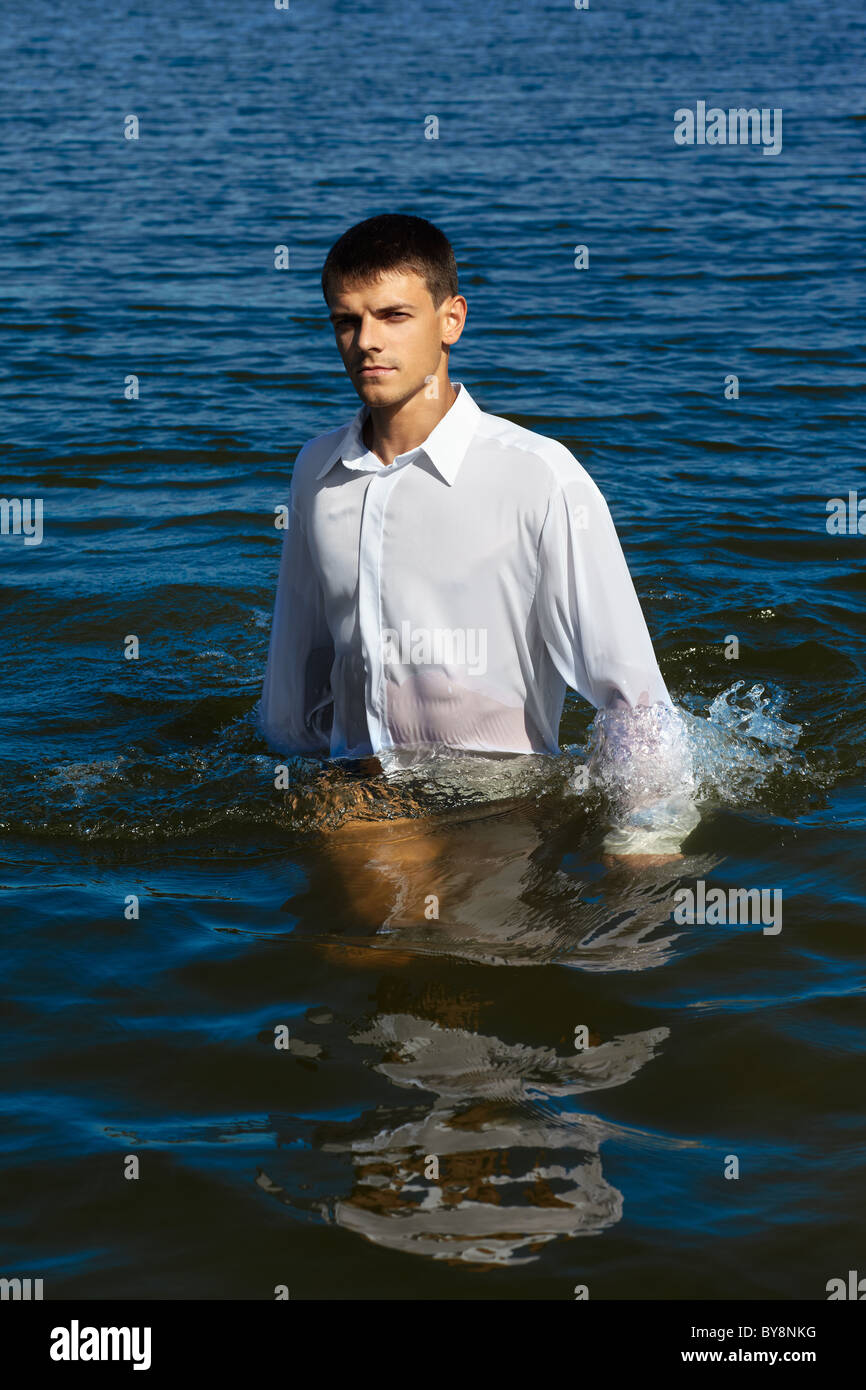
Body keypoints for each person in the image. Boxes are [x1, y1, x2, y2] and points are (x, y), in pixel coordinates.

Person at [258, 213, 699, 865]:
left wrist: (643, 846)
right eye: (346, 321)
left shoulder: (538, 476)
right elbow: (299, 660)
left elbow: (631, 695)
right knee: (341, 949)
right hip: (352, 794)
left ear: (451, 320)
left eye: (393, 316)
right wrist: (281, 771)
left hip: (499, 810)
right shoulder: (316, 475)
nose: (366, 342)